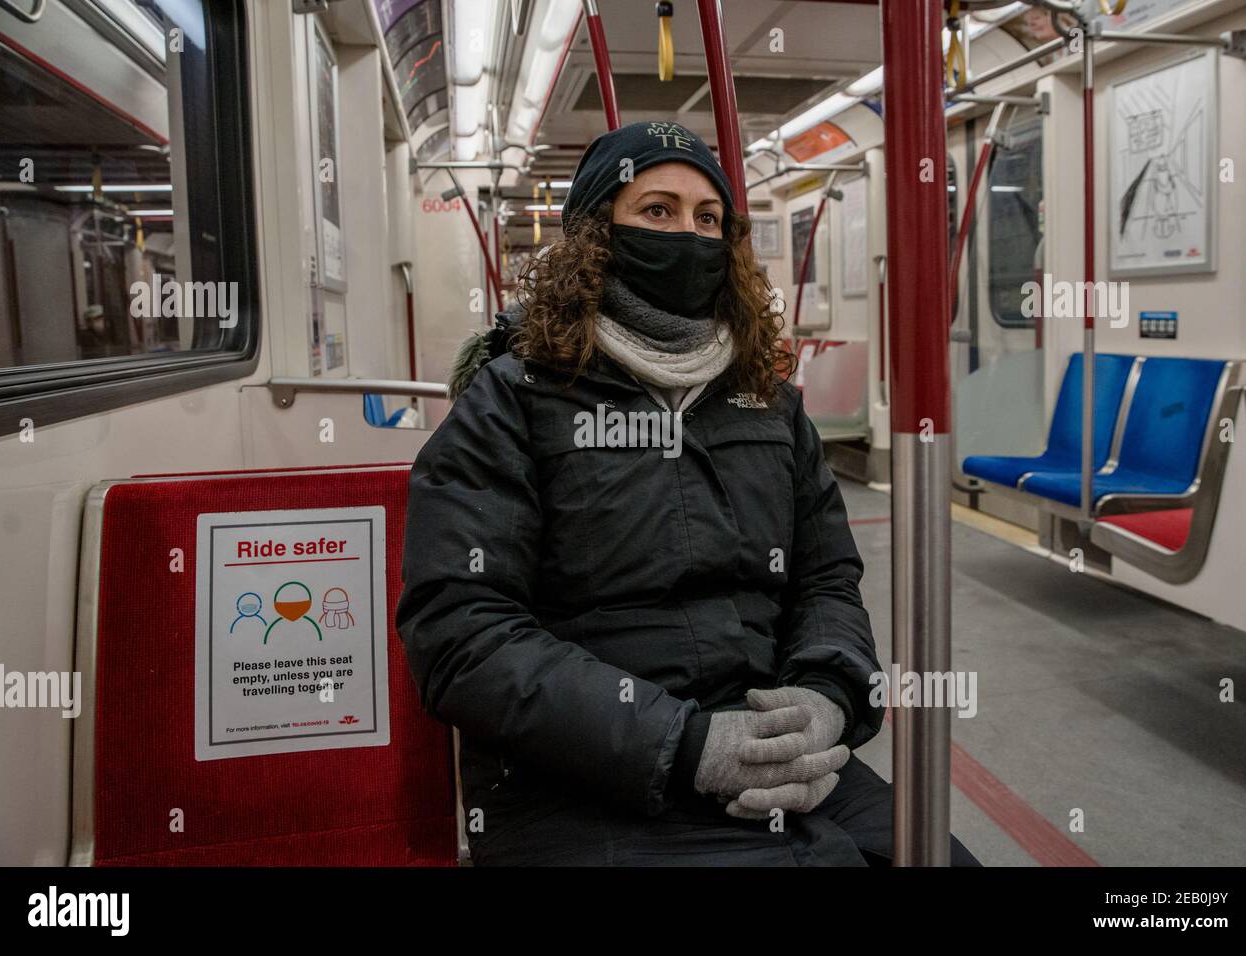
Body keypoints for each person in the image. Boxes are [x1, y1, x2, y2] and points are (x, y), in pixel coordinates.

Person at [396, 120, 978, 866]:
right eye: (658, 211)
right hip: (585, 772)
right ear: (594, 234)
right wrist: (684, 744)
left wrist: (826, 696)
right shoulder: (516, 400)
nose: (689, 234)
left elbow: (827, 577)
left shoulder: (764, 401)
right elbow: (460, 631)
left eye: (708, 218)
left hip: (776, 742)